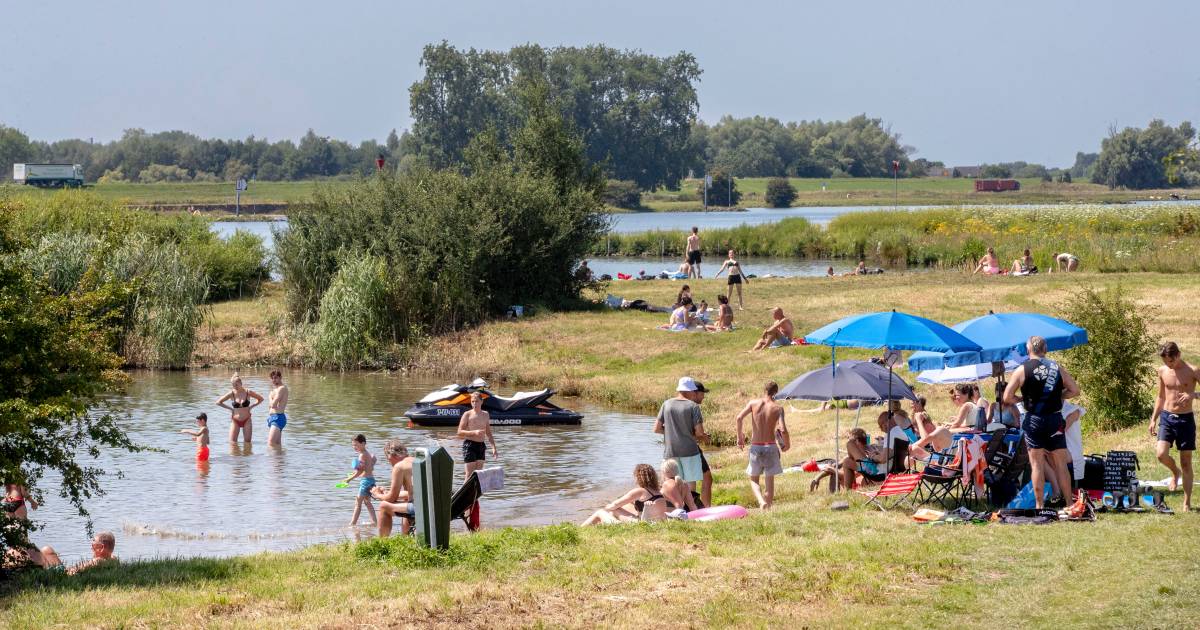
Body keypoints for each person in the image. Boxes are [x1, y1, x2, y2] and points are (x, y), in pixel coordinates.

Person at [1003, 335, 1080, 509]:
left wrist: (1022, 399)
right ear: (1045, 350)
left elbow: (1006, 397)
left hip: (1034, 420)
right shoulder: (1056, 367)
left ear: (1028, 349)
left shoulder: (1021, 370)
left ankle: (1039, 506)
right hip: (1054, 418)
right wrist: (1059, 396)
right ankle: (1069, 504)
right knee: (1060, 463)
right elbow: (1075, 390)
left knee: (1036, 463)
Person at [654, 377, 712, 508]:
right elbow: (699, 432)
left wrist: (672, 433)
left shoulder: (666, 404)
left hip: (670, 451)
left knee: (671, 482)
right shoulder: (693, 406)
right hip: (690, 451)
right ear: (691, 391)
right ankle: (690, 510)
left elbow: (657, 428)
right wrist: (705, 438)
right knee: (690, 484)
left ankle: (673, 509)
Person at [1151, 341, 1195, 511]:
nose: (1168, 365)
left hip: (1185, 420)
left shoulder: (1192, 370)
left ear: (1178, 355)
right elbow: (1161, 396)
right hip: (1167, 417)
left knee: (1186, 462)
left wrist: (1193, 394)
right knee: (1161, 454)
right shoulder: (1163, 371)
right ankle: (1175, 472)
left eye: (1170, 361)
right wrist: (1153, 419)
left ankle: (1187, 501)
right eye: (1165, 362)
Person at [734, 382, 790, 510]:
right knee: (769, 482)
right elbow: (783, 429)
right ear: (776, 393)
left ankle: (761, 501)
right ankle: (767, 508)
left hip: (756, 447)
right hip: (770, 446)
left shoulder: (753, 403)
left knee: (754, 479)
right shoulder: (778, 408)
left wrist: (740, 437)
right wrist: (787, 444)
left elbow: (739, 418)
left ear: (764, 390)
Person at [581, 464, 669, 525]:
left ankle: (580, 530)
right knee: (618, 509)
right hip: (655, 523)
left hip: (640, 524)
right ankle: (607, 521)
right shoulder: (659, 492)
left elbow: (614, 505)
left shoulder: (640, 491)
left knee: (601, 512)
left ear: (638, 478)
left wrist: (606, 508)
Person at [371, 439, 414, 537]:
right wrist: (387, 493)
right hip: (436, 504)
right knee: (408, 501)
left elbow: (391, 499)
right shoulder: (417, 461)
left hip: (421, 508)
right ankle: (406, 538)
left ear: (392, 455)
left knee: (384, 506)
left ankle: (383, 543)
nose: (389, 463)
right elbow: (411, 493)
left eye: (388, 459)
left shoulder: (400, 466)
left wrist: (377, 495)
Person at [457, 392, 498, 485]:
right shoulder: (467, 414)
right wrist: (474, 432)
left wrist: (494, 448)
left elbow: (489, 433)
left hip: (481, 446)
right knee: (469, 475)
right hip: (469, 445)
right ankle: (463, 497)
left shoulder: (486, 414)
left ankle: (474, 498)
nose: (474, 404)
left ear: (481, 402)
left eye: (476, 401)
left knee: (478, 476)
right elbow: (459, 432)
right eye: (472, 401)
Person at [36, 532, 118, 576]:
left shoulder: (97, 561)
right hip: (66, 572)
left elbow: (73, 572)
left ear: (101, 547)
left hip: (61, 576)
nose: (91, 545)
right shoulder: (113, 559)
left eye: (93, 542)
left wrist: (65, 569)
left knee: (46, 550)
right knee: (47, 552)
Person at [217, 373, 263, 443]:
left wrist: (251, 407)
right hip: (235, 420)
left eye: (236, 385)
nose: (235, 387)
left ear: (241, 383)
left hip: (247, 420)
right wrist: (231, 409)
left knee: (247, 443)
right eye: (233, 385)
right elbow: (218, 402)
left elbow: (261, 399)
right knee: (233, 443)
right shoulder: (231, 393)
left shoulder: (248, 392)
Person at [343, 434, 378, 526]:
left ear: (363, 443)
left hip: (365, 482)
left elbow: (360, 471)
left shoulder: (362, 455)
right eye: (353, 445)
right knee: (367, 502)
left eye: (356, 445)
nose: (354, 447)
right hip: (371, 480)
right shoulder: (368, 454)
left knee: (358, 503)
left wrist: (349, 479)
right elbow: (373, 460)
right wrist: (356, 473)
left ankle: (352, 523)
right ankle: (374, 522)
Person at [266, 370, 289, 447]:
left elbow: (273, 404)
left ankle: (272, 459)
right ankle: (279, 459)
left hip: (278, 418)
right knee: (277, 445)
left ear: (280, 378)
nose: (273, 380)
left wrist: (270, 397)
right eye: (272, 378)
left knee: (270, 443)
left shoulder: (282, 388)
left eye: (275, 378)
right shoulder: (275, 390)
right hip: (273, 417)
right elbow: (270, 407)